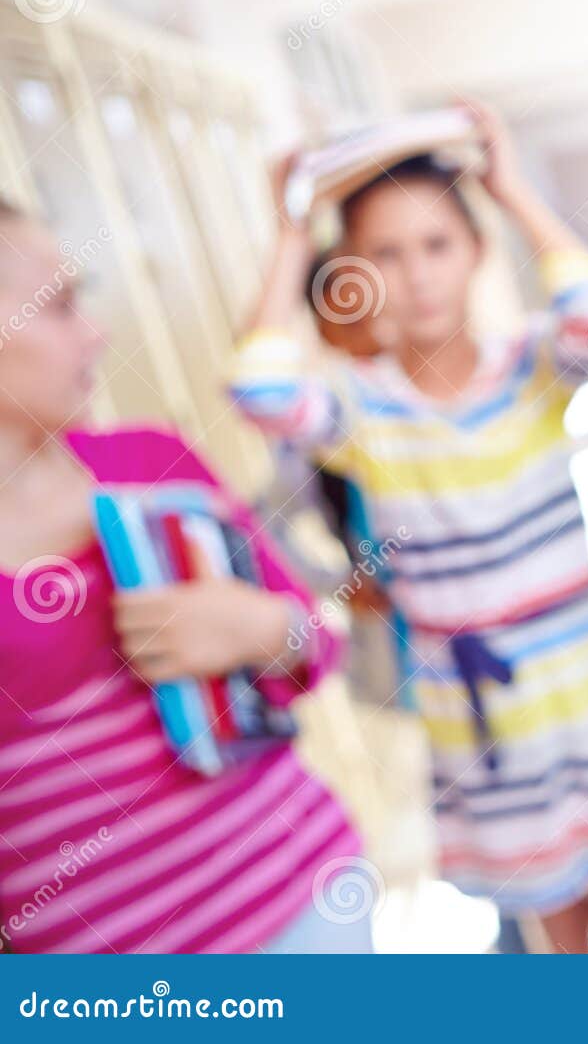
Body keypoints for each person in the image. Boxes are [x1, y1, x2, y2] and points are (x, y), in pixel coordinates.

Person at [228, 106, 588, 953]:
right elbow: (258, 390)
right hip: (486, 726)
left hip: (586, 693)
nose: (419, 276)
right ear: (354, 274)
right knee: (559, 920)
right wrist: (290, 232)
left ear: (475, 250)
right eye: (388, 256)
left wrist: (509, 188)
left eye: (438, 244)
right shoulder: (362, 406)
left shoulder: (535, 366)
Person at [0, 203, 366, 953]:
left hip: (311, 905)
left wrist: (257, 629)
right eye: (61, 307)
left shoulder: (149, 463)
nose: (96, 331)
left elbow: (318, 647)